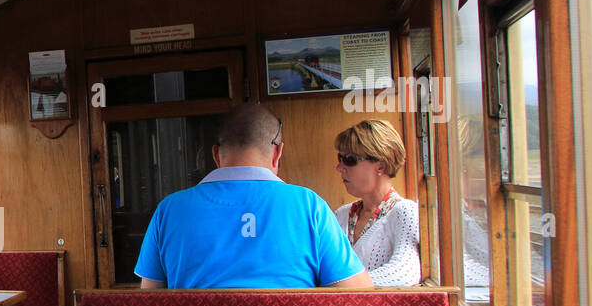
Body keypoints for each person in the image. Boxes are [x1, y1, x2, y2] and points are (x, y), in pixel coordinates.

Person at [135, 102, 373, 289]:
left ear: (216, 156)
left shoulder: (169, 210)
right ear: (277, 152)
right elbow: (357, 293)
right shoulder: (309, 206)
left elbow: (151, 299)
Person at [332, 119, 422, 287]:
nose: (339, 167)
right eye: (340, 158)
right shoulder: (342, 215)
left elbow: (405, 272)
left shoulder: (405, 212)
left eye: (349, 159)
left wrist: (341, 286)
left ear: (380, 166)